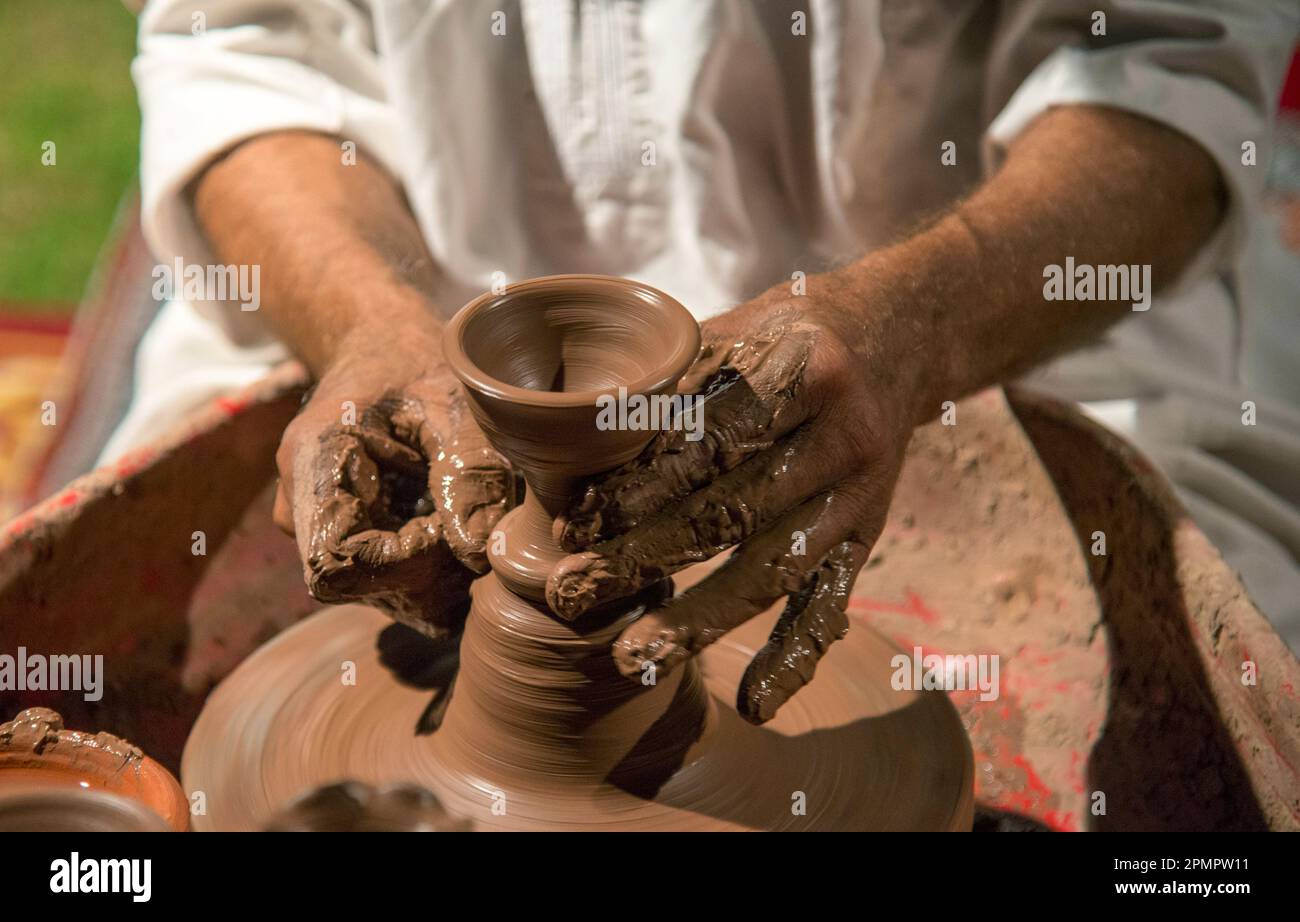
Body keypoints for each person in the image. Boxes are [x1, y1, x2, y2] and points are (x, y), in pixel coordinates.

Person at [105, 1, 1300, 720]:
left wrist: (918, 329)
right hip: (390, 290)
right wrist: (371, 313)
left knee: (1204, 727)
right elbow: (244, 51)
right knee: (121, 696)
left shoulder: (945, 321)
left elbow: (1172, 61)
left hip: (996, 311)